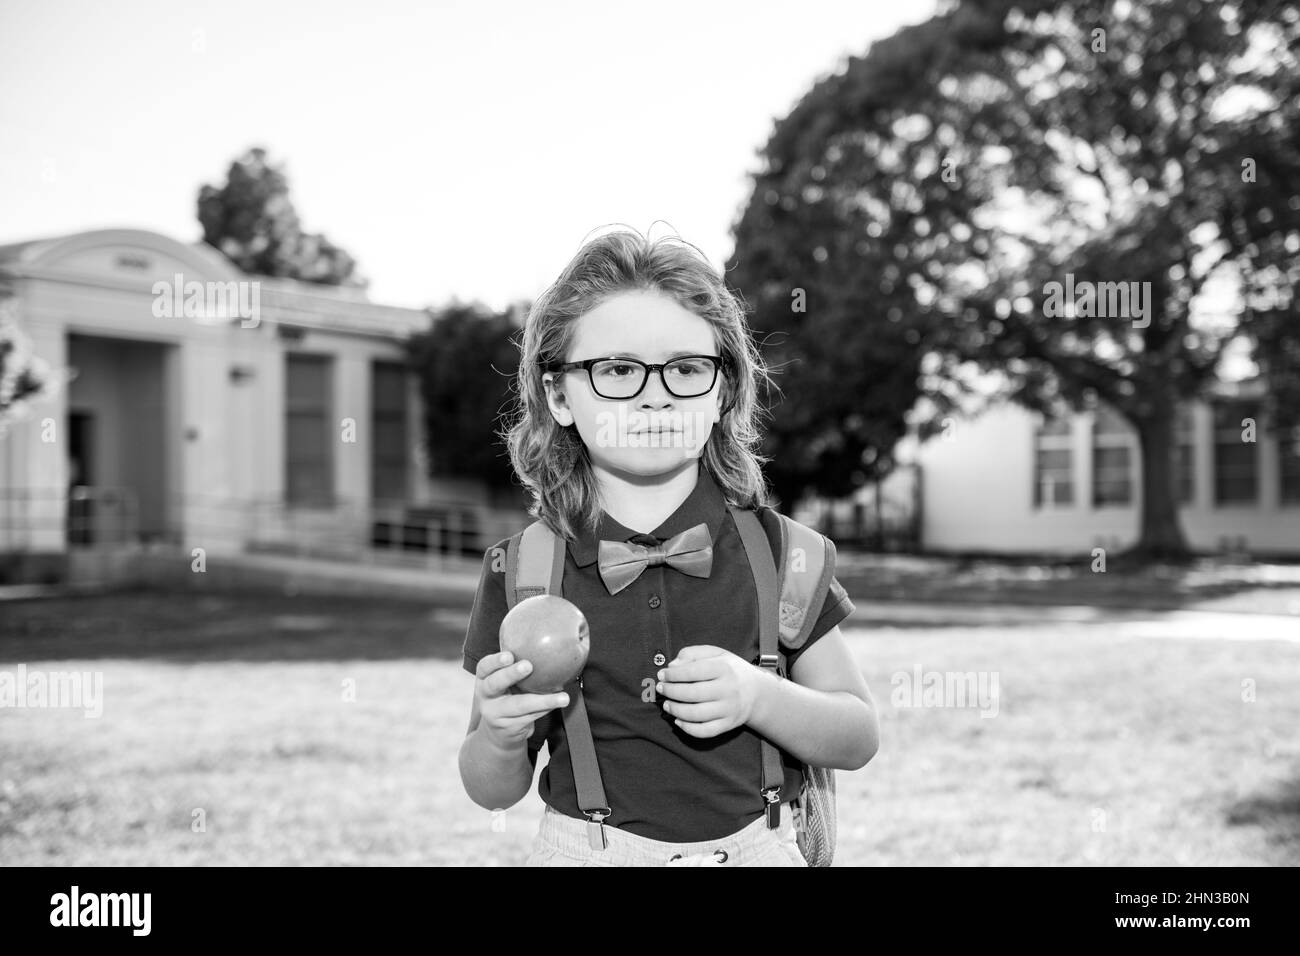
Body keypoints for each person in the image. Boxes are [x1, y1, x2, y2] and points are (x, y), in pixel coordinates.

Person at [458, 226, 878, 866]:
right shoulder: (524, 573)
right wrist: (498, 735)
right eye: (618, 369)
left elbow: (857, 736)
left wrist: (759, 696)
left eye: (685, 367)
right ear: (557, 394)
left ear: (723, 392)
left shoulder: (781, 555)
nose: (655, 393)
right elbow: (492, 791)